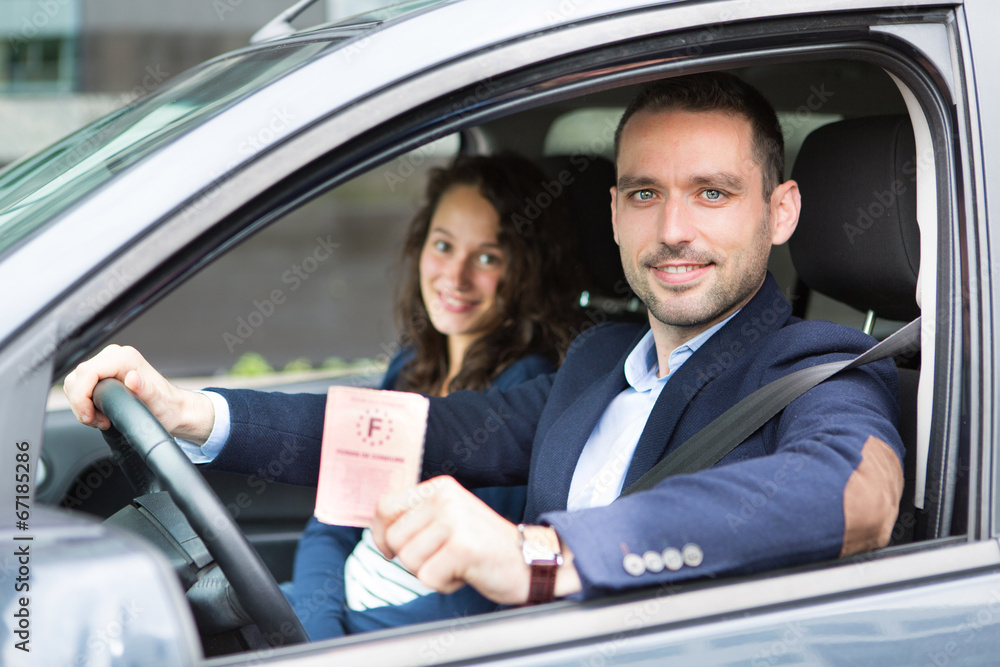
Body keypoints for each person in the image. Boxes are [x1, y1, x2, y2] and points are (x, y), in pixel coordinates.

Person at [65, 72, 904, 609]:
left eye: (714, 193)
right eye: (645, 193)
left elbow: (854, 497)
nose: (675, 228)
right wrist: (192, 412)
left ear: (781, 211)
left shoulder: (814, 372)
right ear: (614, 214)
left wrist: (541, 553)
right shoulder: (595, 362)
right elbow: (416, 432)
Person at [284, 153, 580, 638]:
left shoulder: (526, 392)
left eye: (487, 257)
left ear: (527, 270)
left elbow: (469, 600)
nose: (455, 276)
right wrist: (319, 630)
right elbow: (332, 523)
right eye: (443, 246)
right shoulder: (412, 362)